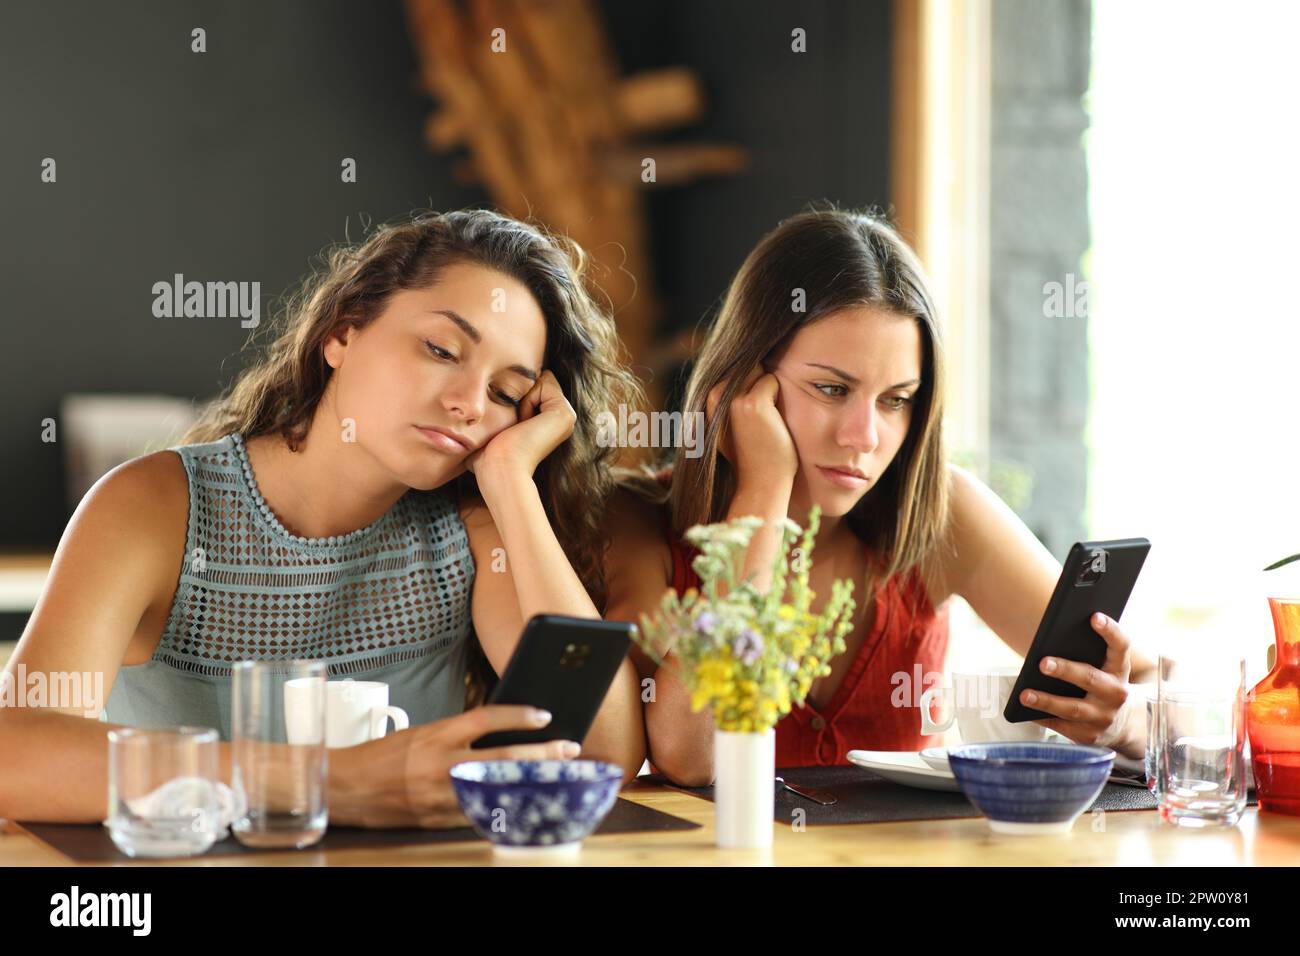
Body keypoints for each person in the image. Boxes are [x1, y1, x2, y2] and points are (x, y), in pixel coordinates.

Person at [0, 209, 646, 826]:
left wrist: (510, 484)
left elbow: (601, 752)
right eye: (441, 349)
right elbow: (15, 755)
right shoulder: (154, 506)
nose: (470, 403)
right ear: (342, 333)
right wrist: (333, 782)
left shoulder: (471, 528)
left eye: (506, 392)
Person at [604, 206, 1154, 785]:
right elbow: (690, 756)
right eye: (831, 389)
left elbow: (1145, 681)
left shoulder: (942, 513)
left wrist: (1120, 721)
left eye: (895, 400)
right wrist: (762, 494)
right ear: (744, 384)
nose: (864, 437)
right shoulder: (637, 522)